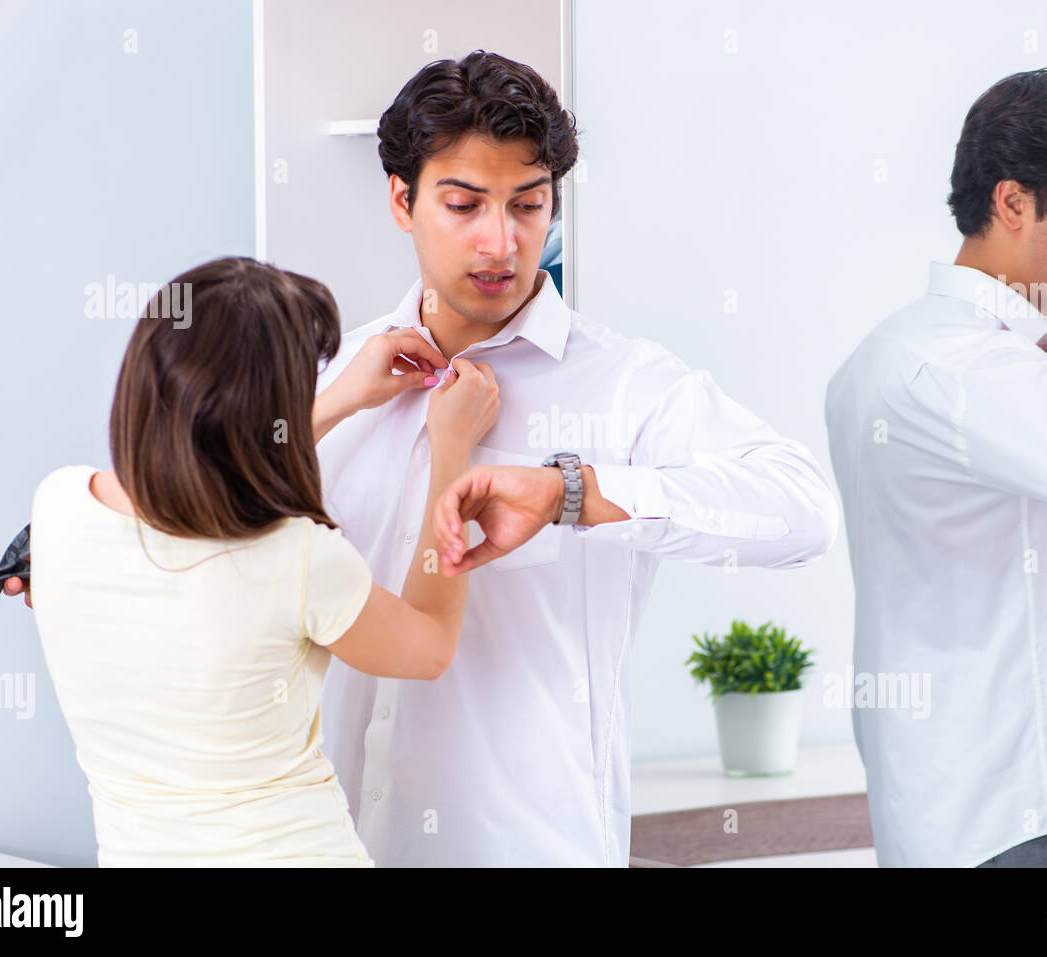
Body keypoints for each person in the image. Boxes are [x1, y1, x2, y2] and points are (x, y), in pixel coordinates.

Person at [309, 50, 841, 866]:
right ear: (401, 200)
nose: (502, 241)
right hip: (331, 844)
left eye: (530, 205)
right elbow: (187, 512)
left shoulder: (625, 383)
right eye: (464, 204)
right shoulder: (328, 378)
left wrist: (578, 492)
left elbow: (801, 510)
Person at [20, 256, 499, 865]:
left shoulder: (60, 504)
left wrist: (341, 399)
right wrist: (451, 455)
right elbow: (429, 645)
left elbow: (210, 466)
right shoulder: (296, 558)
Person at [824, 68, 1047, 867]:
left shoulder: (886, 357)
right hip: (1030, 818)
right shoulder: (976, 373)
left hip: (960, 812)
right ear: (1013, 202)